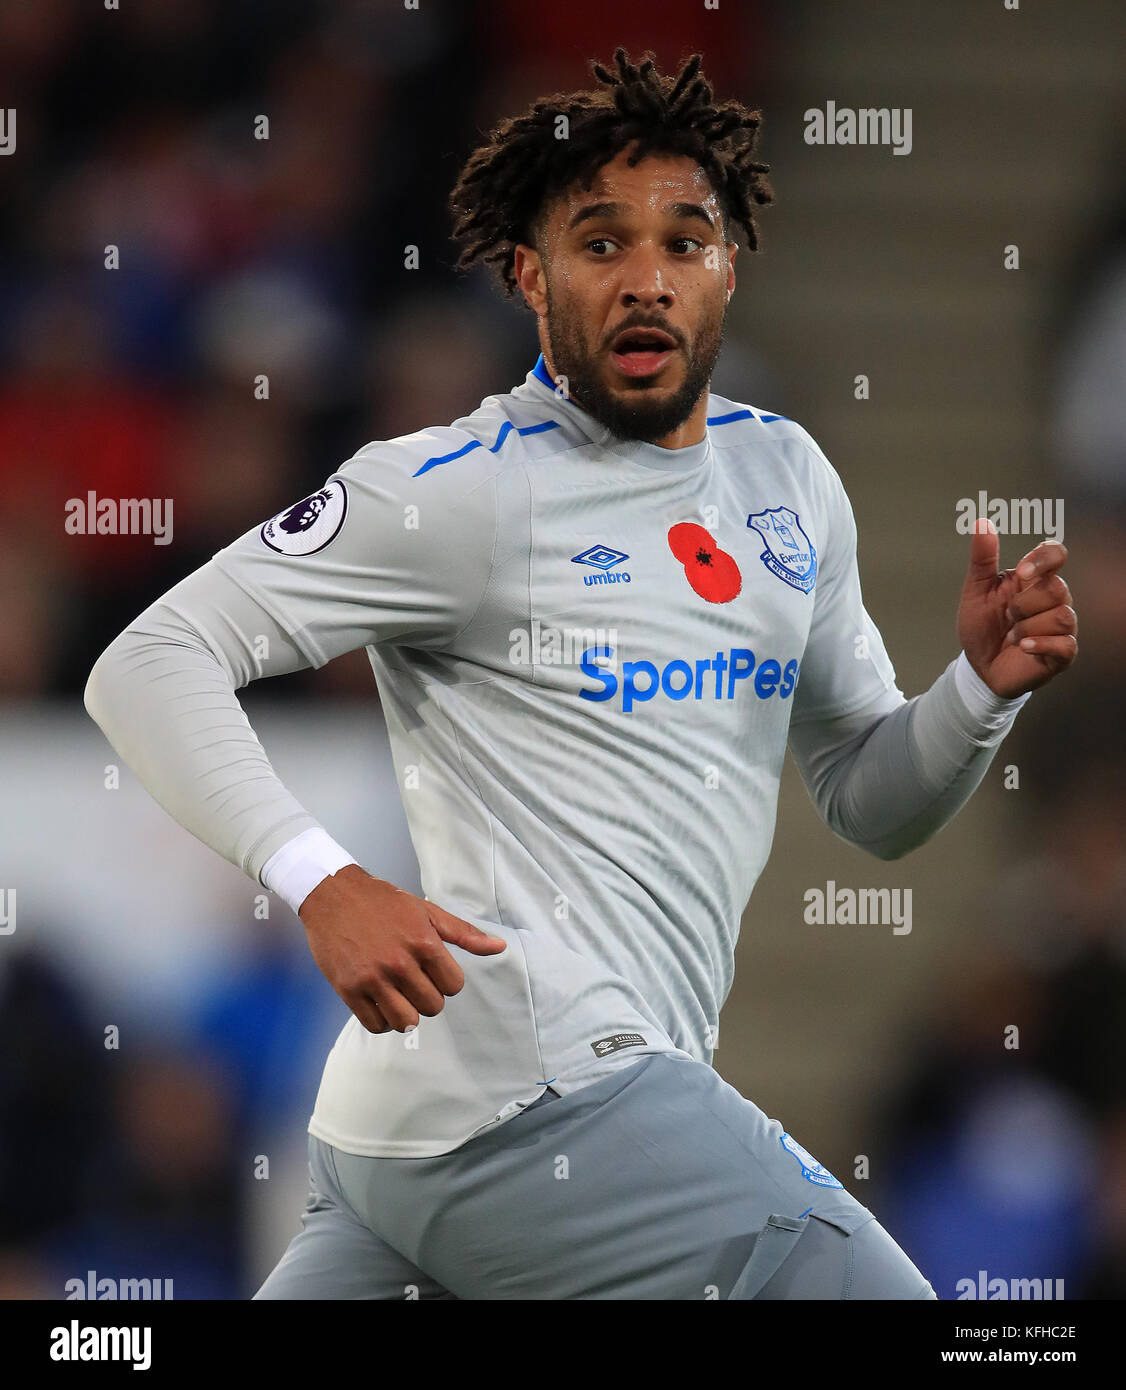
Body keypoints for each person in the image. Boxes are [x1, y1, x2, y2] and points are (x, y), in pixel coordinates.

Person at [84, 49, 1078, 1299]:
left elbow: (867, 798)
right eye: (599, 243)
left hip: (416, 1143)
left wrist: (976, 695)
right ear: (527, 276)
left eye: (683, 240)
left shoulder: (789, 482)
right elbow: (149, 659)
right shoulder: (454, 491)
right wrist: (321, 880)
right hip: (533, 1084)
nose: (646, 280)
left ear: (728, 267)